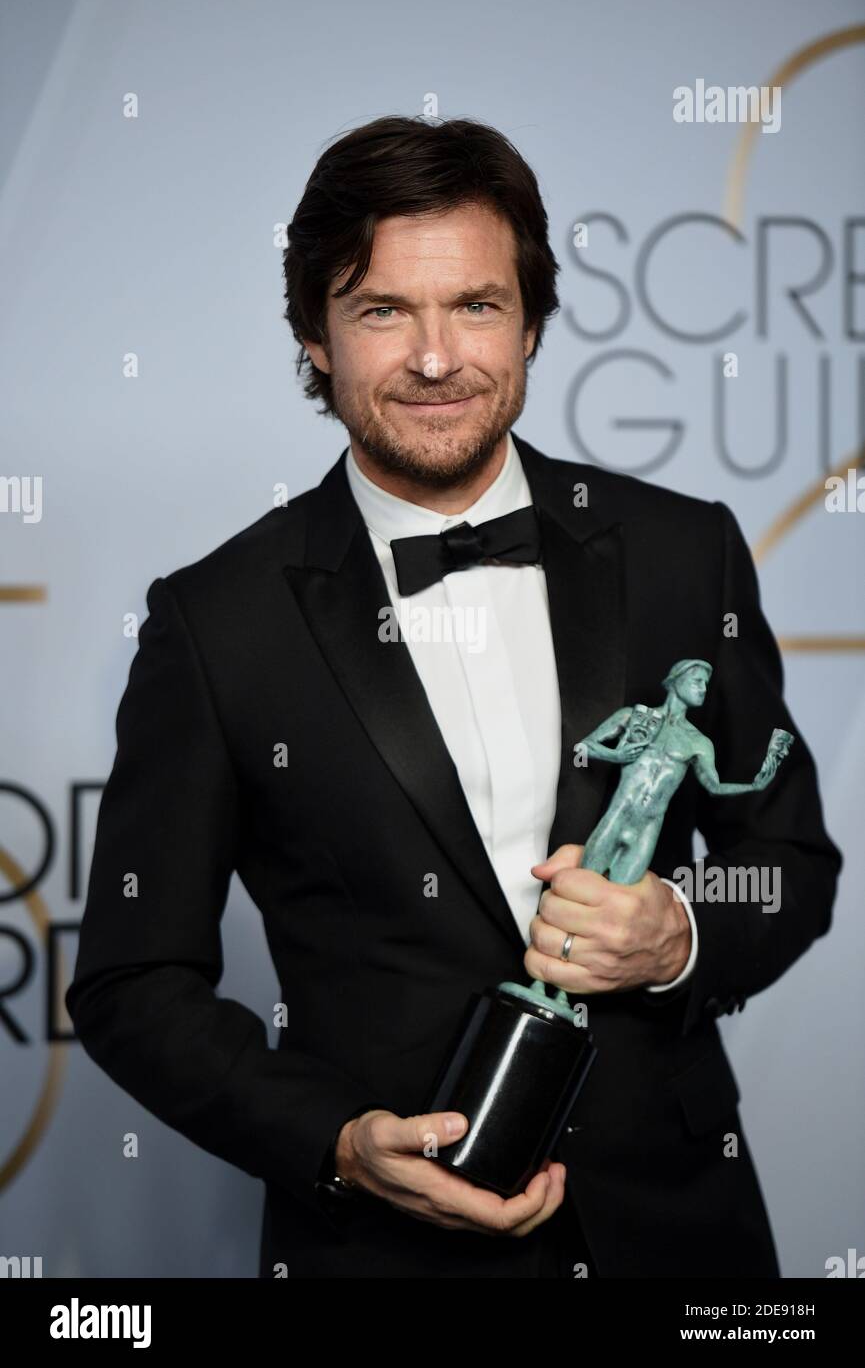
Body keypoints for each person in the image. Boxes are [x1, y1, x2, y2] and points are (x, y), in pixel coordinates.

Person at [66, 115, 842, 1279]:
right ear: (314, 336)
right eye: (382, 310)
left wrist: (680, 934)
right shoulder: (214, 622)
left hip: (680, 1242)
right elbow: (132, 981)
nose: (436, 359)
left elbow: (786, 859)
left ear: (531, 320)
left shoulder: (684, 553)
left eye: (476, 305)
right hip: (378, 1254)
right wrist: (332, 1142)